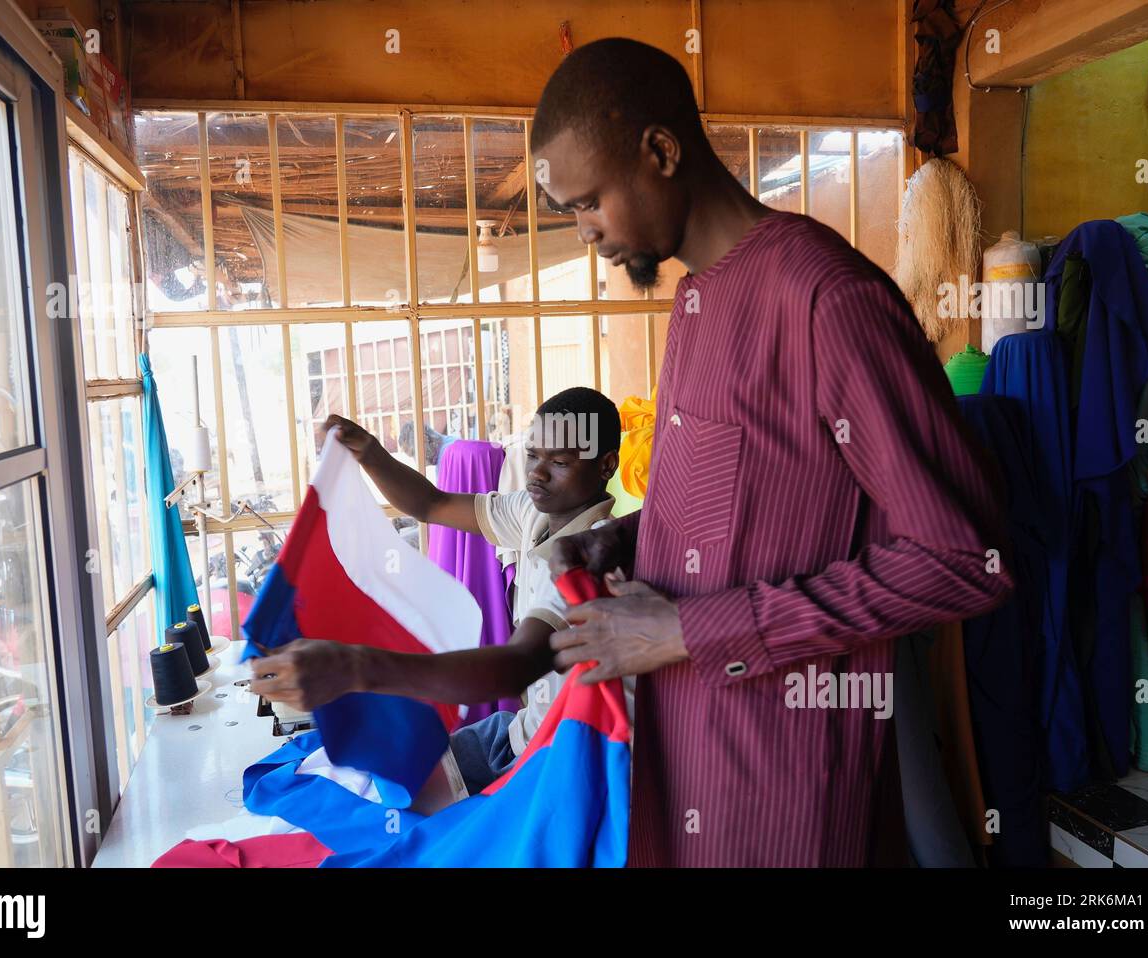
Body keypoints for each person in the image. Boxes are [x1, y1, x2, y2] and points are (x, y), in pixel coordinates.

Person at [534, 38, 1015, 866]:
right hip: (684, 765)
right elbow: (756, 507)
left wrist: (691, 629)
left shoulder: (826, 301)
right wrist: (625, 539)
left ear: (659, 150)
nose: (587, 236)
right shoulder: (694, 304)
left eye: (587, 204)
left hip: (783, 795)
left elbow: (967, 559)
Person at [250, 386, 634, 799]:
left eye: (558, 462)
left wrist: (356, 667)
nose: (538, 473)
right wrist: (369, 452)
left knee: (402, 819)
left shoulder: (593, 557)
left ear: (606, 465)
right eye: (533, 455)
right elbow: (430, 504)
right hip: (521, 730)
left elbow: (517, 665)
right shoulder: (532, 512)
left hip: (562, 757)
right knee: (379, 779)